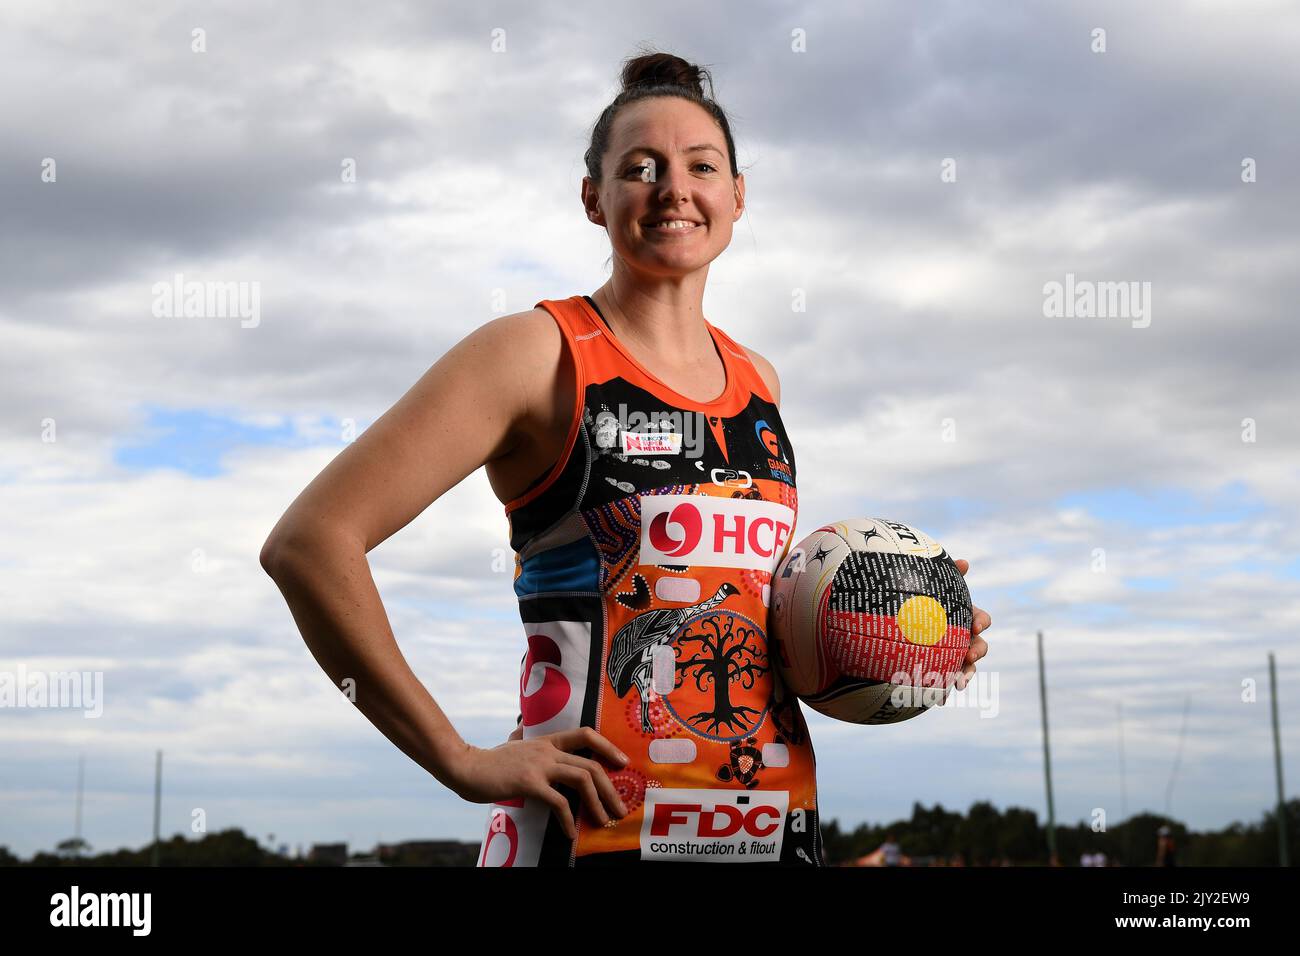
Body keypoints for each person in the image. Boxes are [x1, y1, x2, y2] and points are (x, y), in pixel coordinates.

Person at [259, 49, 993, 867]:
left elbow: (746, 619)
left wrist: (901, 632)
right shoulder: (536, 355)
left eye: (700, 166)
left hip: (771, 831)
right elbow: (310, 543)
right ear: (594, 199)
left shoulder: (760, 383)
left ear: (737, 196)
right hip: (587, 836)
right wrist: (458, 759)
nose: (673, 188)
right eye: (641, 168)